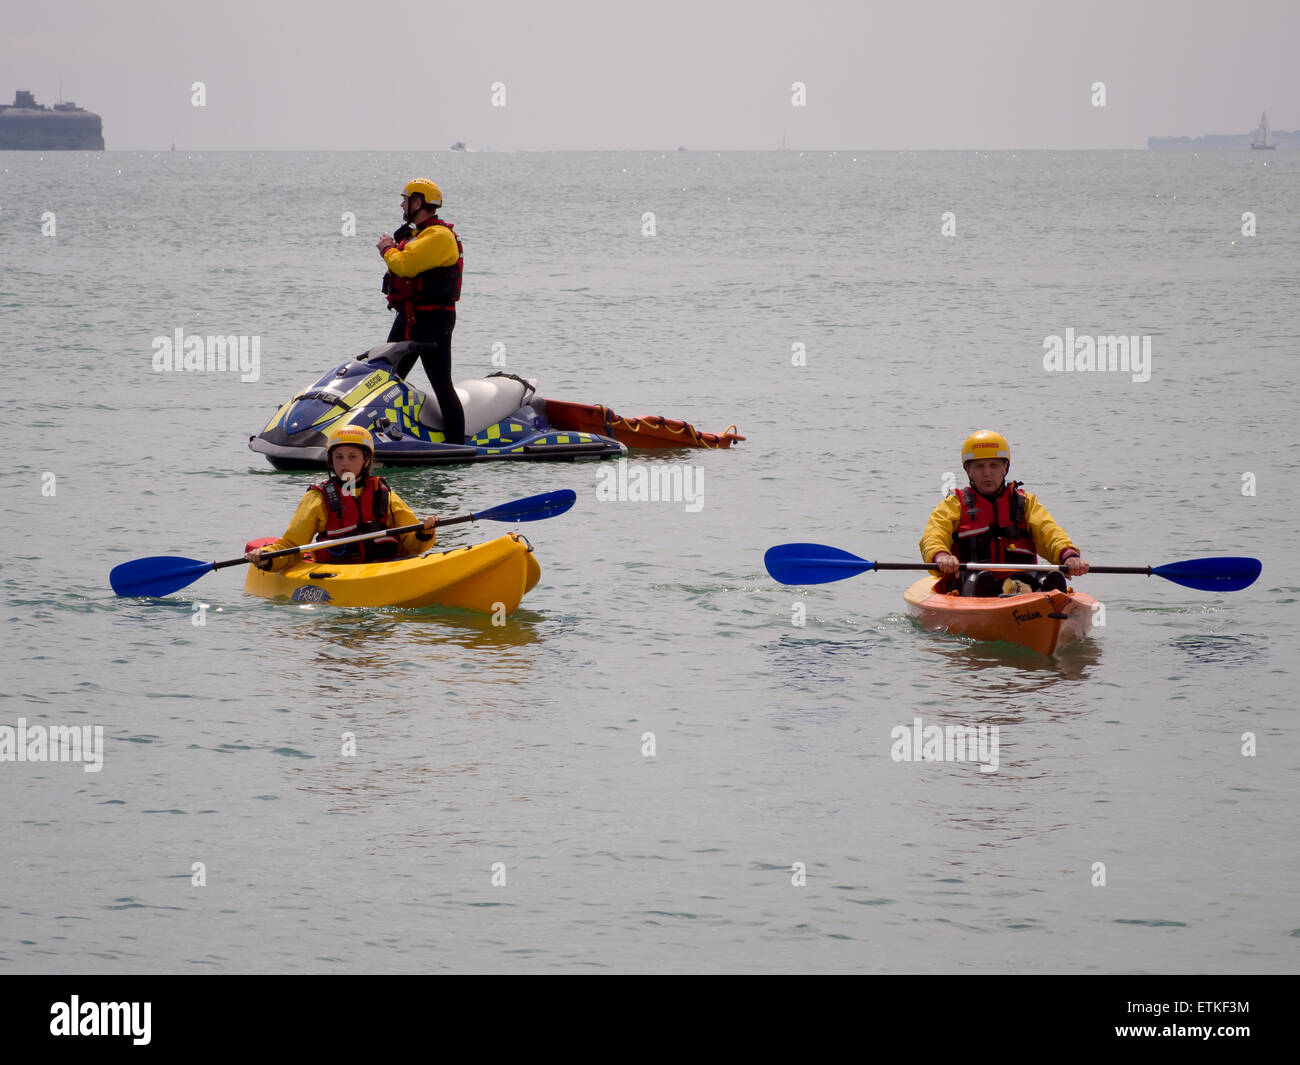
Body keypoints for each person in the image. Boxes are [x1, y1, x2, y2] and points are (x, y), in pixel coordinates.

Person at [919, 430, 1089, 596]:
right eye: (979, 467)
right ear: (968, 470)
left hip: (1021, 584)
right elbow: (933, 536)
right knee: (979, 578)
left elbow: (1049, 532)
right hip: (973, 585)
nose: (987, 473)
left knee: (1052, 579)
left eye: (994, 465)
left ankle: (1048, 609)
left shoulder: (1026, 503)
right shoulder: (954, 505)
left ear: (1005, 467)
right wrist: (941, 556)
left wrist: (1068, 556)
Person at [245, 426, 438, 571]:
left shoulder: (383, 494)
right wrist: (269, 557)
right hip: (339, 571)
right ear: (331, 461)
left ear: (366, 460)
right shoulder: (318, 497)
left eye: (352, 456)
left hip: (382, 568)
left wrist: (425, 532)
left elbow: (411, 543)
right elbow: (293, 546)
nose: (345, 463)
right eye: (338, 457)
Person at [376, 178, 466, 445]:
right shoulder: (419, 234)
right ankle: (377, 435)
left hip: (433, 320)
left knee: (441, 384)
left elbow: (404, 265)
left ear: (419, 203)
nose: (401, 204)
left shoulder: (439, 236)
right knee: (386, 379)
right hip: (409, 316)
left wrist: (387, 249)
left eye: (406, 199)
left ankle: (456, 446)